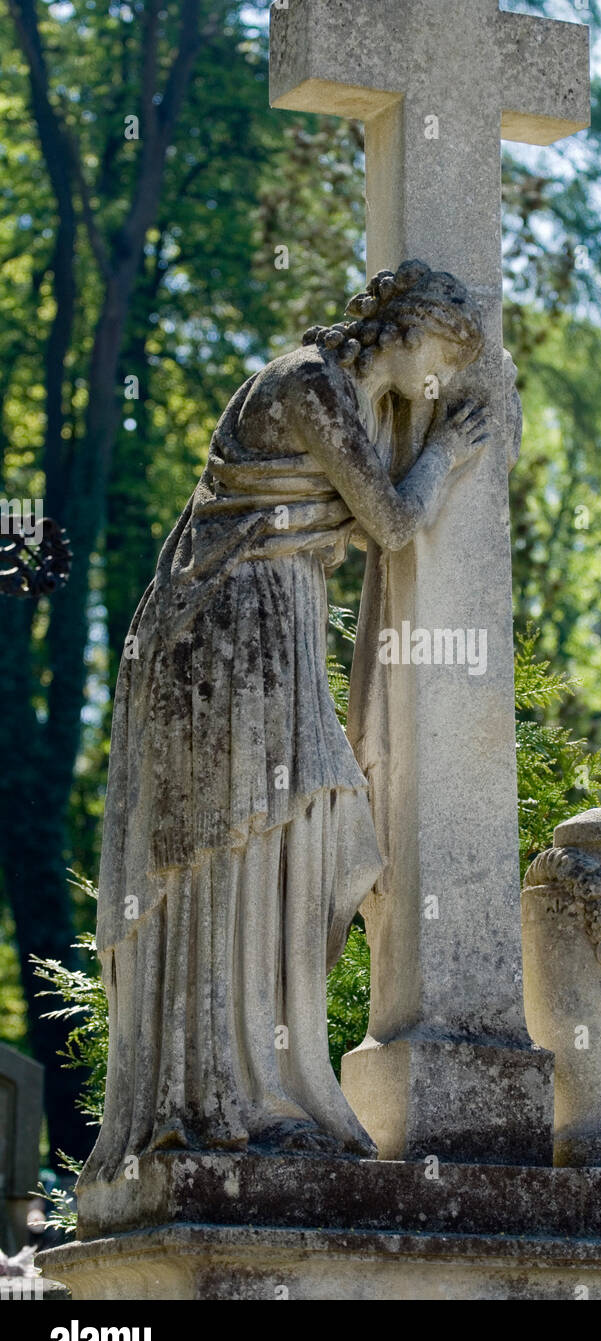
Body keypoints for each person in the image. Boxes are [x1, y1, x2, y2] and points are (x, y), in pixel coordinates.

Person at [80, 262, 488, 1182]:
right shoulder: (311, 382)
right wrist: (445, 453)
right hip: (231, 637)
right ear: (402, 331)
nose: (437, 386)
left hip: (270, 620)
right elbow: (387, 519)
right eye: (438, 360)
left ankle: (262, 1082)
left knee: (288, 839)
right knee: (243, 843)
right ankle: (220, 1095)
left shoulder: (339, 393)